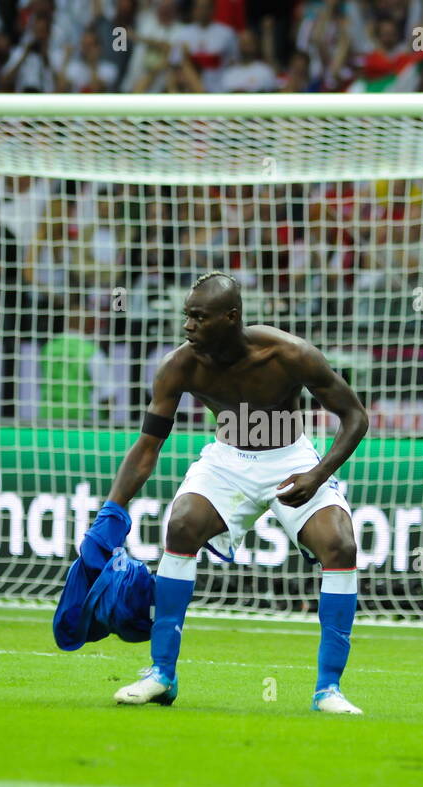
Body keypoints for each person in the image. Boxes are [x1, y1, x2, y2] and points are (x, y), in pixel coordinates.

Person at [105, 271, 369, 713]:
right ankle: (160, 675)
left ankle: (328, 690)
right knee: (182, 524)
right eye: (186, 317)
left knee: (340, 545)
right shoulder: (180, 365)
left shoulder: (289, 354)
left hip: (293, 460)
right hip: (227, 462)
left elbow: (355, 416)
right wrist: (110, 512)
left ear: (231, 318)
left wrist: (318, 474)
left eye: (198, 318)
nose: (187, 327)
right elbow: (148, 445)